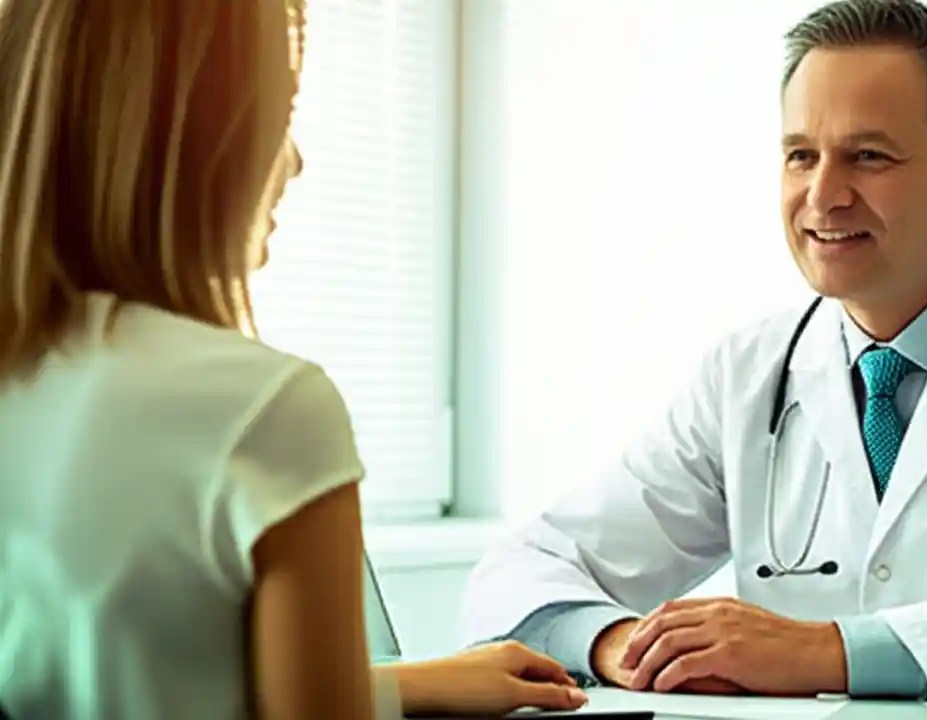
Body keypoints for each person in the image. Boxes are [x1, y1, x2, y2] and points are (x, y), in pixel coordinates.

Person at [463, 0, 927, 703]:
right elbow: (517, 573)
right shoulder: (748, 376)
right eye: (800, 155)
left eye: (868, 157)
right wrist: (626, 646)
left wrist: (824, 652)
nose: (823, 196)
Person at [0, 1, 586, 718]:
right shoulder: (262, 410)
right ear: (200, 133)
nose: (296, 160)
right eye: (283, 111)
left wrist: (404, 684)